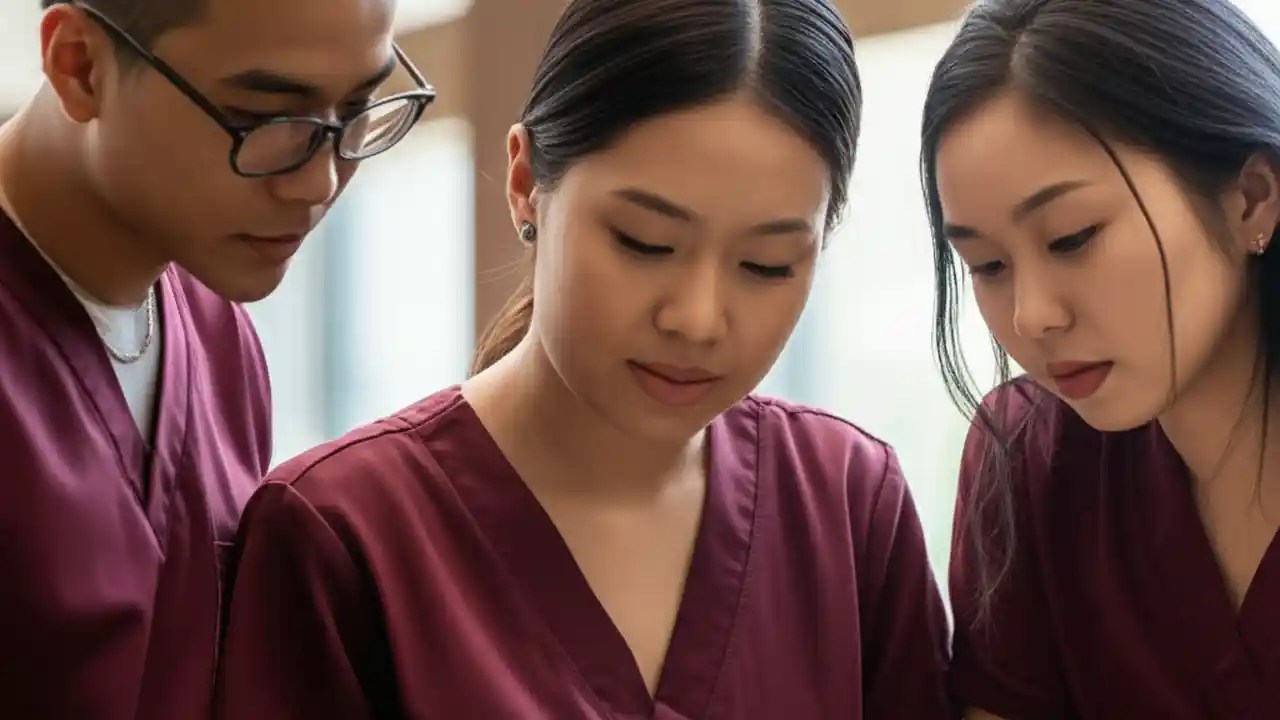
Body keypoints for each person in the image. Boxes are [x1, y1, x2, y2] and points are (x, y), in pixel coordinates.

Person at [216, 0, 953, 718]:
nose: (697, 320)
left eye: (766, 265)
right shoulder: (343, 533)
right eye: (644, 242)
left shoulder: (847, 503)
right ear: (525, 184)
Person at [0, 0, 434, 717]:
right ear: (79, 65)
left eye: (359, 107)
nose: (317, 183)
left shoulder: (216, 336)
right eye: (264, 119)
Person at [921, 0, 1280, 717]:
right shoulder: (1026, 458)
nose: (1031, 316)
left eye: (1072, 237)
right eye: (987, 265)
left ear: (1251, 198)